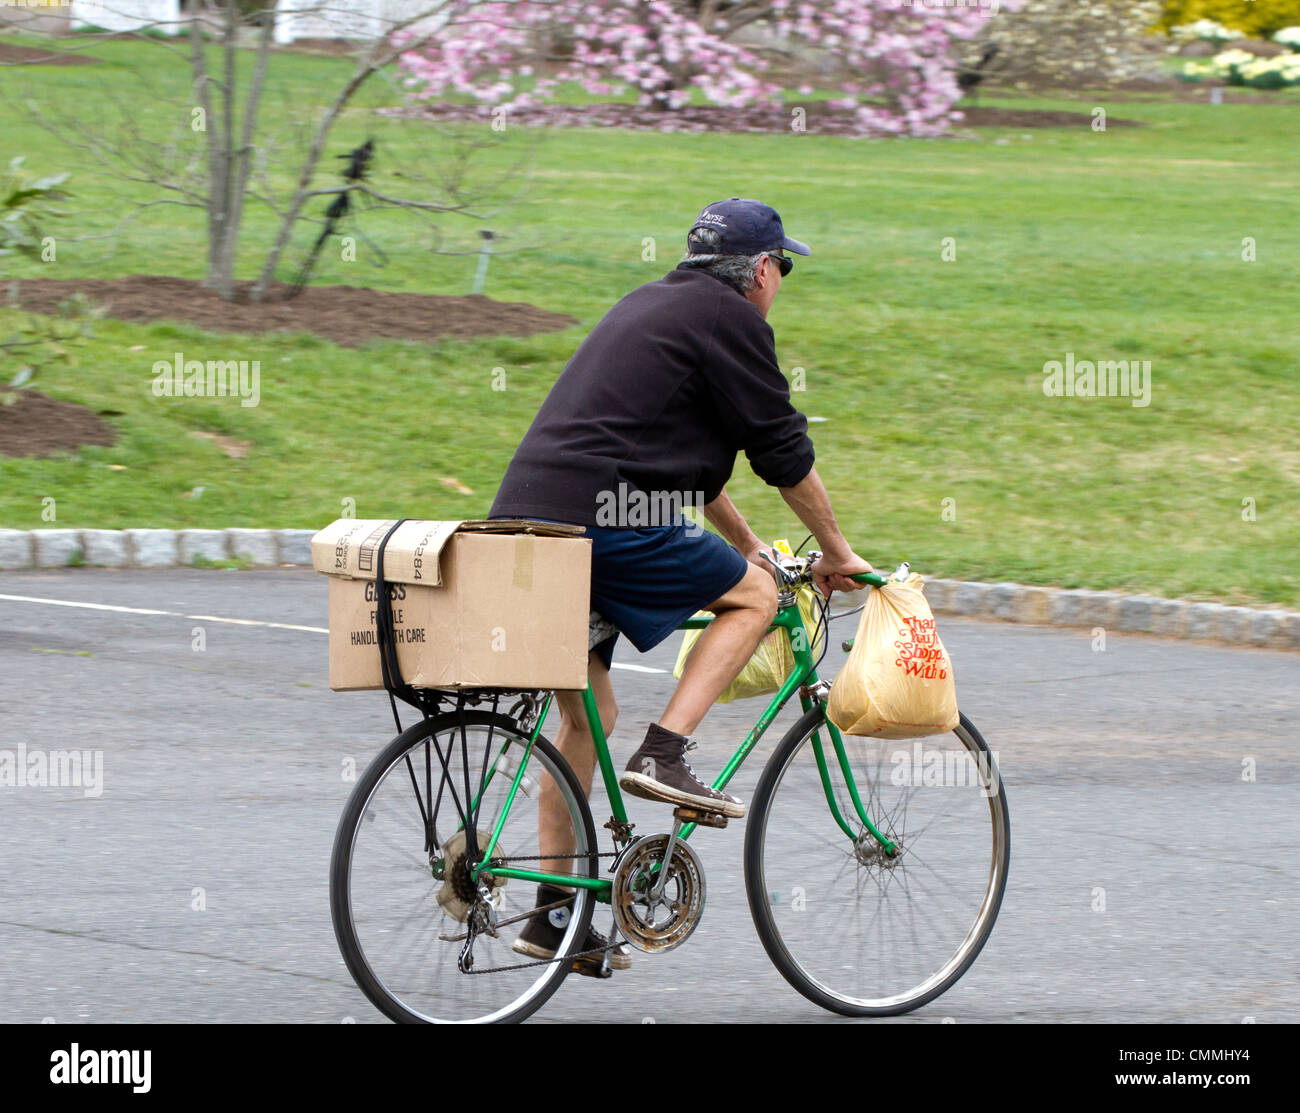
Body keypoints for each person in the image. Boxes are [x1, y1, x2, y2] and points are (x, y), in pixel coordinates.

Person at [488, 198, 873, 974]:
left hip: (528, 519)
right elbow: (782, 450)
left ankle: (551, 918)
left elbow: (686, 468)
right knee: (756, 600)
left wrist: (749, 544)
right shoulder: (734, 323)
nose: (780, 282)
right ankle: (665, 754)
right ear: (761, 270)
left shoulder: (653, 306)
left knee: (586, 714)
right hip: (604, 517)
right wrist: (837, 550)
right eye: (783, 268)